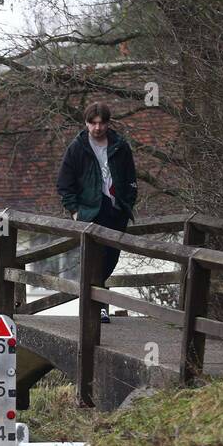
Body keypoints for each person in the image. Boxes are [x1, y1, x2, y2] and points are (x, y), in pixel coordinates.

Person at [55, 102, 138, 323]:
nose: (97, 127)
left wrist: (128, 201)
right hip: (91, 211)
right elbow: (64, 184)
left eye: (101, 123)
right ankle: (99, 308)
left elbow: (131, 178)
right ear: (86, 123)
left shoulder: (120, 146)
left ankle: (94, 303)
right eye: (93, 123)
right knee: (95, 259)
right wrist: (75, 211)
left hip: (116, 209)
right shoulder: (77, 148)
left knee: (111, 258)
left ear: (108, 123)